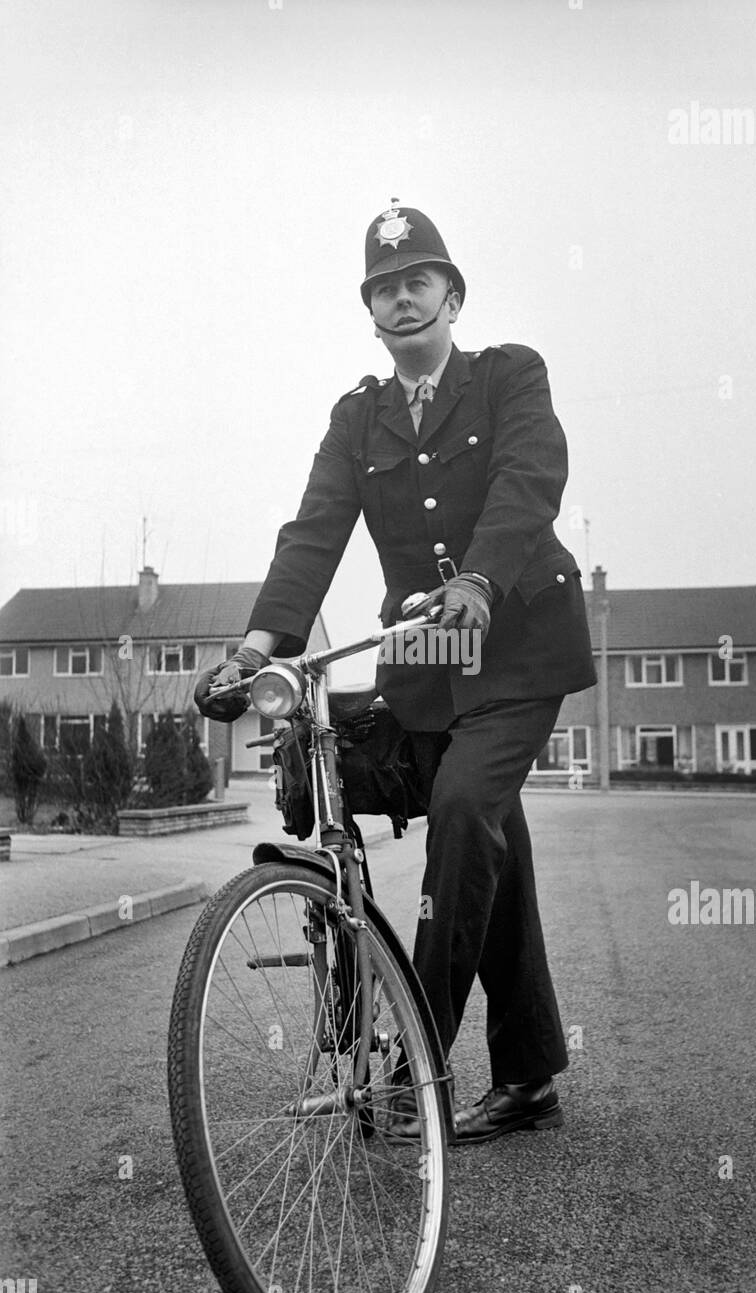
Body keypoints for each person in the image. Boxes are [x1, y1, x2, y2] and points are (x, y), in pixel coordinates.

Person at [195, 201, 596, 1143]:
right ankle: (530, 1077)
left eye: (418, 281)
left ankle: (416, 1065)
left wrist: (483, 581)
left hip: (518, 644)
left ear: (452, 298)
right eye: (383, 288)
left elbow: (529, 481)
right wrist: (255, 648)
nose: (401, 298)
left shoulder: (508, 377)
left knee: (462, 812)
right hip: (426, 661)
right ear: (370, 313)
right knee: (490, 842)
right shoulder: (357, 418)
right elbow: (313, 534)